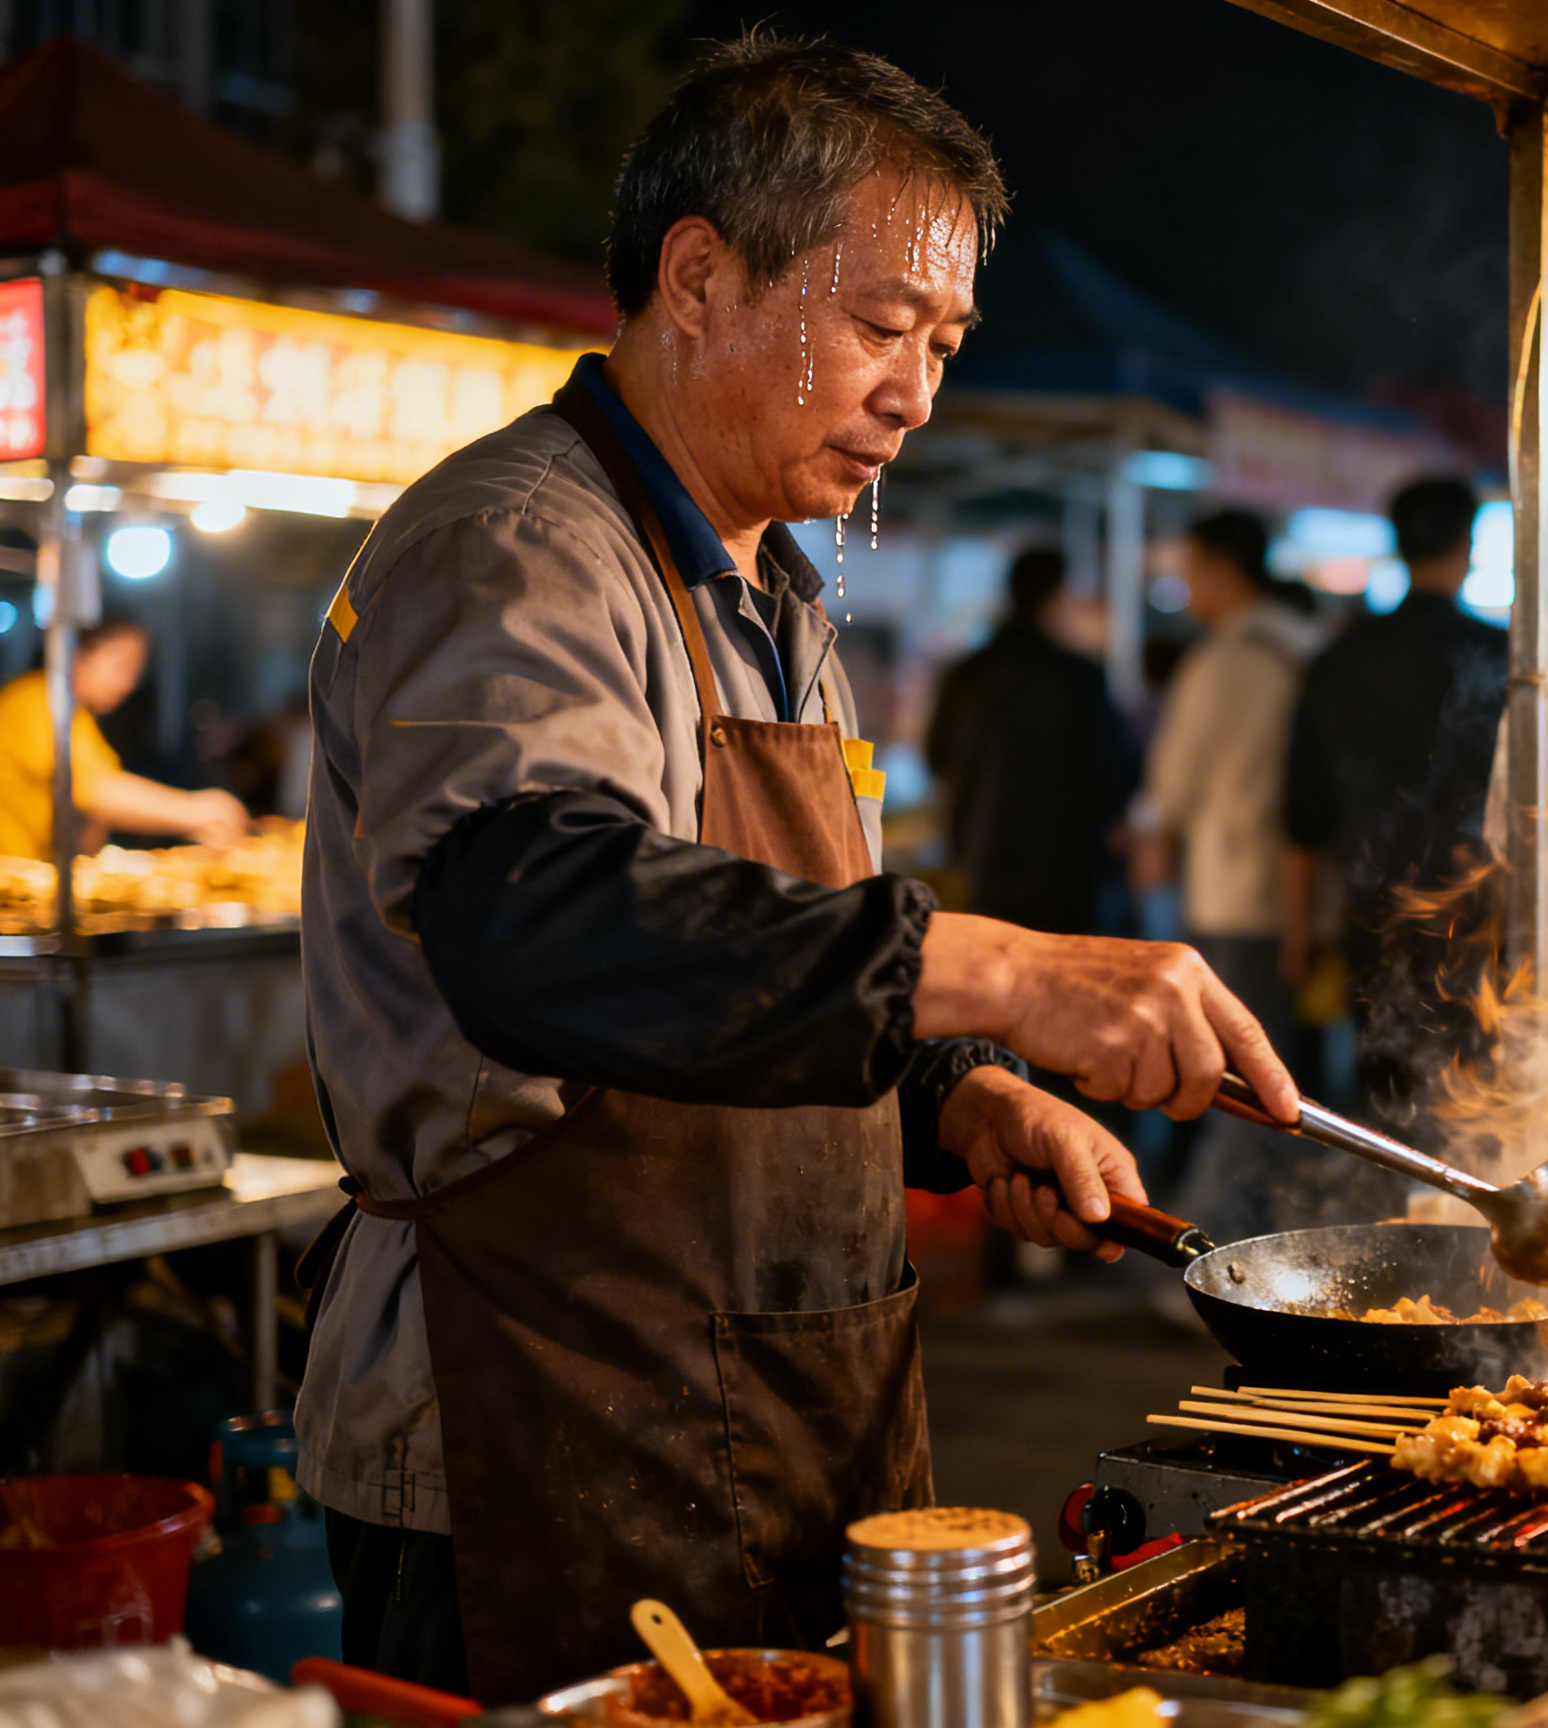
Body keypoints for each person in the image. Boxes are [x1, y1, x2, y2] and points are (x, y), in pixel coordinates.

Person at [294, 35, 1298, 1706]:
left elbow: (753, 964)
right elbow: (538, 922)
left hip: (777, 1399)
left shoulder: (780, 599)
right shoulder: (522, 546)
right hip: (529, 1416)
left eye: (943, 345)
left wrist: (961, 1097)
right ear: (699, 277)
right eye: (881, 326)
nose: (917, 394)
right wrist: (1007, 972)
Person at [1282, 478, 1509, 1091]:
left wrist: (1298, 929)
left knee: (1385, 1086)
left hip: (1373, 910)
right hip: (1482, 912)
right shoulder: (1505, 658)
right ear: (1467, 546)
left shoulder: (1340, 658)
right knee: (1477, 1092)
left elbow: (1304, 810)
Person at [1134, 510, 1324, 1235]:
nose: (1185, 585)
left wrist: (1152, 839)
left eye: (1190, 567)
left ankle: (1215, 1240)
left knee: (1238, 1084)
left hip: (1231, 896)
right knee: (1284, 1074)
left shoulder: (1221, 661)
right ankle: (1268, 1228)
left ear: (1222, 567)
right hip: (1305, 897)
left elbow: (1173, 782)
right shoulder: (1307, 648)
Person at [925, 546, 1134, 934]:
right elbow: (1116, 768)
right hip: (1069, 865)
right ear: (1055, 596)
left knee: (995, 962)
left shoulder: (968, 674)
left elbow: (936, 756)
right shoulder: (1079, 676)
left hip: (985, 856)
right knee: (1064, 965)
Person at [0, 618, 249, 858]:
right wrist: (198, 810)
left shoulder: (75, 716)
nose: (129, 683)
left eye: (136, 671)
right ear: (78, 655)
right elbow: (98, 790)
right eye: (122, 665)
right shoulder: (37, 703)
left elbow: (93, 810)